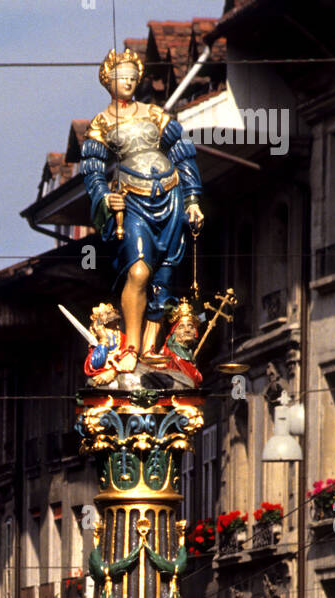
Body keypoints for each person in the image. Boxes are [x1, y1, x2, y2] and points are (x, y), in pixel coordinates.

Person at [80, 48, 205, 368]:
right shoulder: (102, 124)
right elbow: (93, 170)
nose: (129, 83)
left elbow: (182, 150)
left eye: (134, 78)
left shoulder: (154, 114)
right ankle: (131, 347)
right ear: (108, 79)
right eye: (123, 77)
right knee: (138, 270)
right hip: (133, 202)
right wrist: (106, 198)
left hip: (170, 196)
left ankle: (151, 348)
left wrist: (192, 197)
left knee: (163, 276)